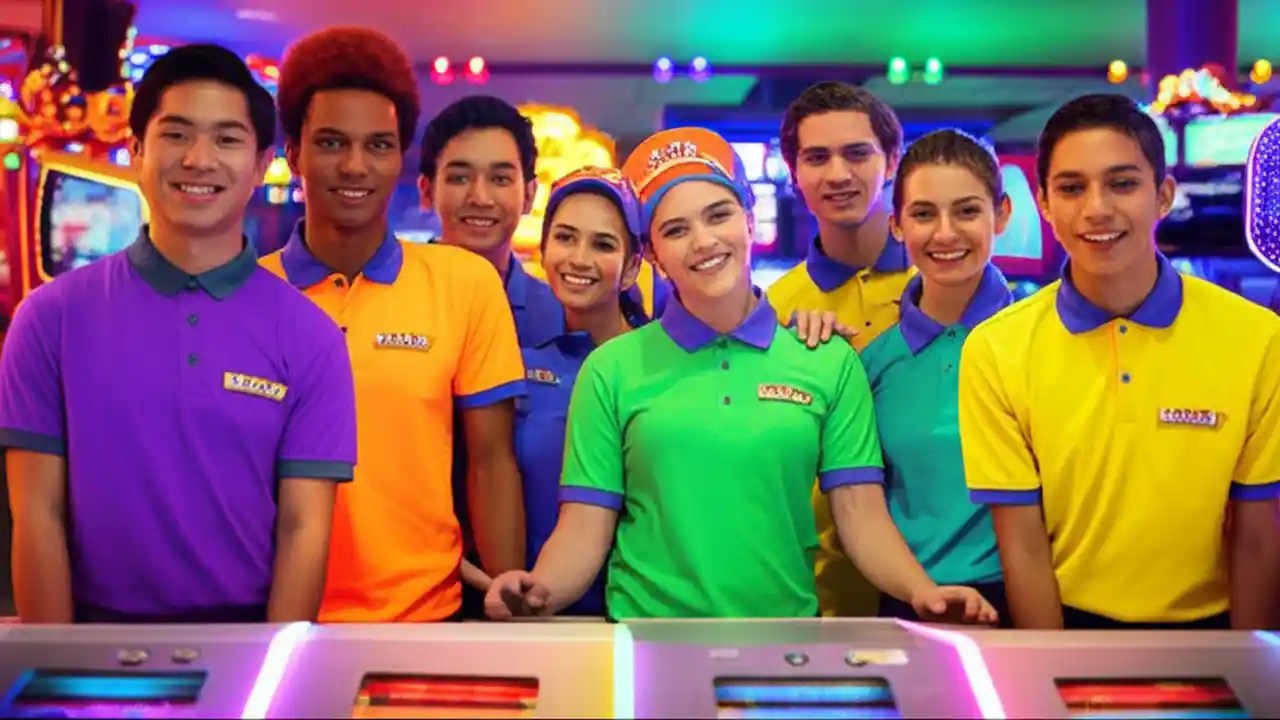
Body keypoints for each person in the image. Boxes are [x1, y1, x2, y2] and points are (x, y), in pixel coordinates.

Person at [485, 127, 997, 622]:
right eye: (676, 230)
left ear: (750, 222)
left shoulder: (827, 359)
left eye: (718, 215)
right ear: (655, 258)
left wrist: (922, 592)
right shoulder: (611, 368)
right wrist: (538, 591)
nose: (703, 242)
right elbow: (584, 527)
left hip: (784, 642)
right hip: (646, 637)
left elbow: (861, 516)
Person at [0, 44, 356, 623]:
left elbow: (304, 530)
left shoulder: (311, 336)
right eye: (176, 134)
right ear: (136, 150)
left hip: (246, 643)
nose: (199, 159)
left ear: (264, 162)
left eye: (227, 139)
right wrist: (55, 665)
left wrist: (271, 680)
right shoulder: (50, 317)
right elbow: (38, 514)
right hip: (88, 640)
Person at [961, 93, 1280, 630]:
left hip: (1216, 629)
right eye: (1071, 187)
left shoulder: (1258, 338)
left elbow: (1258, 538)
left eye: (1122, 183)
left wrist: (1248, 674)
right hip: (1067, 625)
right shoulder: (997, 349)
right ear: (1043, 201)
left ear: (1163, 196)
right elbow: (1024, 549)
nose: (1096, 209)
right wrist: (1053, 681)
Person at [260, 27, 526, 623]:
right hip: (273, 615)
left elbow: (490, 462)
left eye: (378, 145)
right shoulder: (250, 295)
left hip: (425, 616)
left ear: (401, 157)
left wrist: (511, 606)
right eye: (331, 143)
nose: (355, 166)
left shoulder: (463, 283)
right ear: (295, 154)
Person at [766, 81, 915, 617]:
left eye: (857, 153)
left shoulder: (942, 282)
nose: (837, 174)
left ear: (892, 160)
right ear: (793, 171)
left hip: (944, 571)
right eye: (816, 157)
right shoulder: (773, 308)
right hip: (817, 589)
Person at [862, 129, 1014, 624]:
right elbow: (863, 506)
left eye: (967, 211)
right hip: (908, 601)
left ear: (1002, 214)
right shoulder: (872, 361)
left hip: (1030, 596)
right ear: (898, 226)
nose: (945, 233)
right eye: (924, 214)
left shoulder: (1041, 341)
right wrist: (920, 590)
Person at [516, 166, 650, 616]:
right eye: (566, 238)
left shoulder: (665, 366)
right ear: (543, 249)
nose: (578, 258)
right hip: (537, 614)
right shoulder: (521, 365)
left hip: (646, 620)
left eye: (603, 244)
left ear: (633, 266)